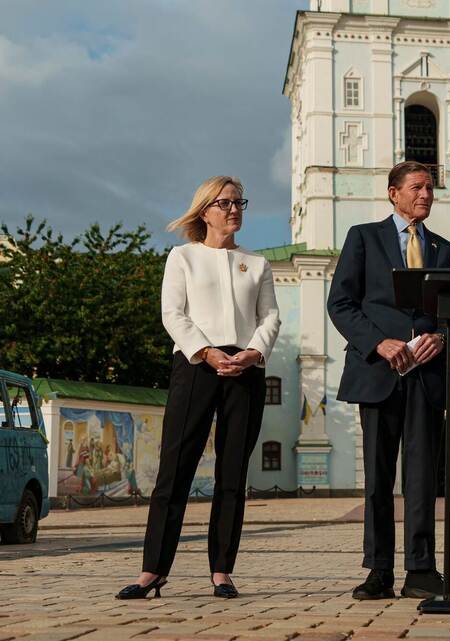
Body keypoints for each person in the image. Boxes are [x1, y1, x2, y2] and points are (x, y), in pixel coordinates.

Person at [116, 176, 280, 600]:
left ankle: (222, 571)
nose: (233, 209)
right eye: (224, 203)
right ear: (204, 210)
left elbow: (271, 318)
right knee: (175, 470)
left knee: (232, 475)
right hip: (195, 366)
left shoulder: (257, 263)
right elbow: (172, 313)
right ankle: (153, 570)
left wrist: (252, 353)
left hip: (245, 370)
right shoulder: (182, 257)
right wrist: (205, 352)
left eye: (239, 202)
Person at [328, 161, 450, 600]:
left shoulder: (447, 251)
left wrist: (440, 339)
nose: (425, 194)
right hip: (378, 372)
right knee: (378, 477)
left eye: (429, 188)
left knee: (423, 476)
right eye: (417, 187)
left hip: (427, 376)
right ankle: (379, 569)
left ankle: (421, 569)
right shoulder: (363, 238)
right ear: (393, 193)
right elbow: (342, 303)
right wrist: (379, 343)